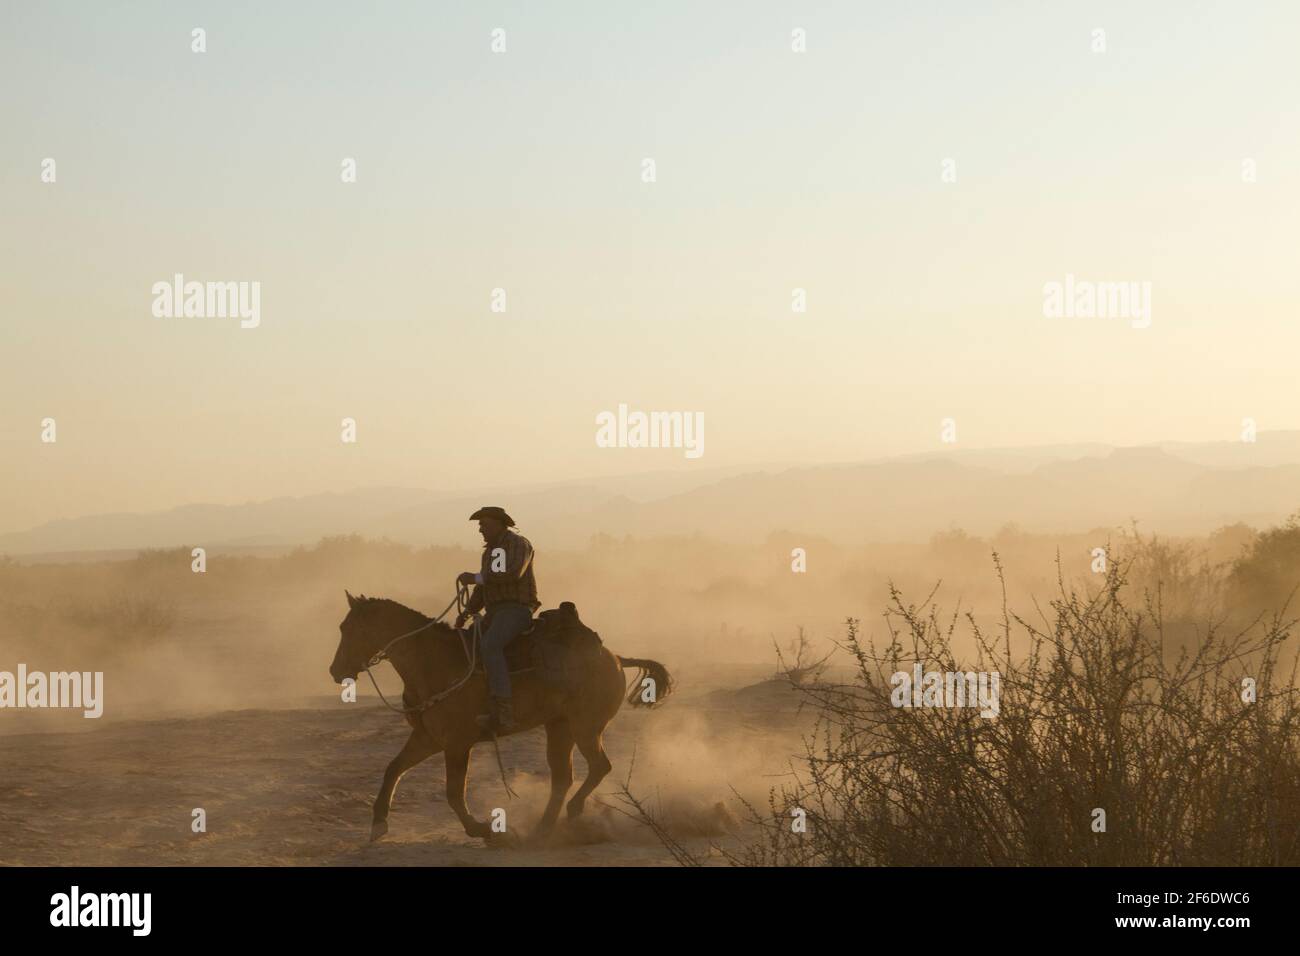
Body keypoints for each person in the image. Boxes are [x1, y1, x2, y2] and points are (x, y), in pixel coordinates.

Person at [455, 506, 540, 733]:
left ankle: (504, 710)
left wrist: (474, 577)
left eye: (484, 524)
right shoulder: (490, 552)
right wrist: (466, 612)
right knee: (465, 645)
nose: (481, 529)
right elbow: (485, 588)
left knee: (490, 645)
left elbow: (512, 573)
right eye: (480, 525)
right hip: (495, 612)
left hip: (516, 610)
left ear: (500, 524)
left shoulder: (518, 544)